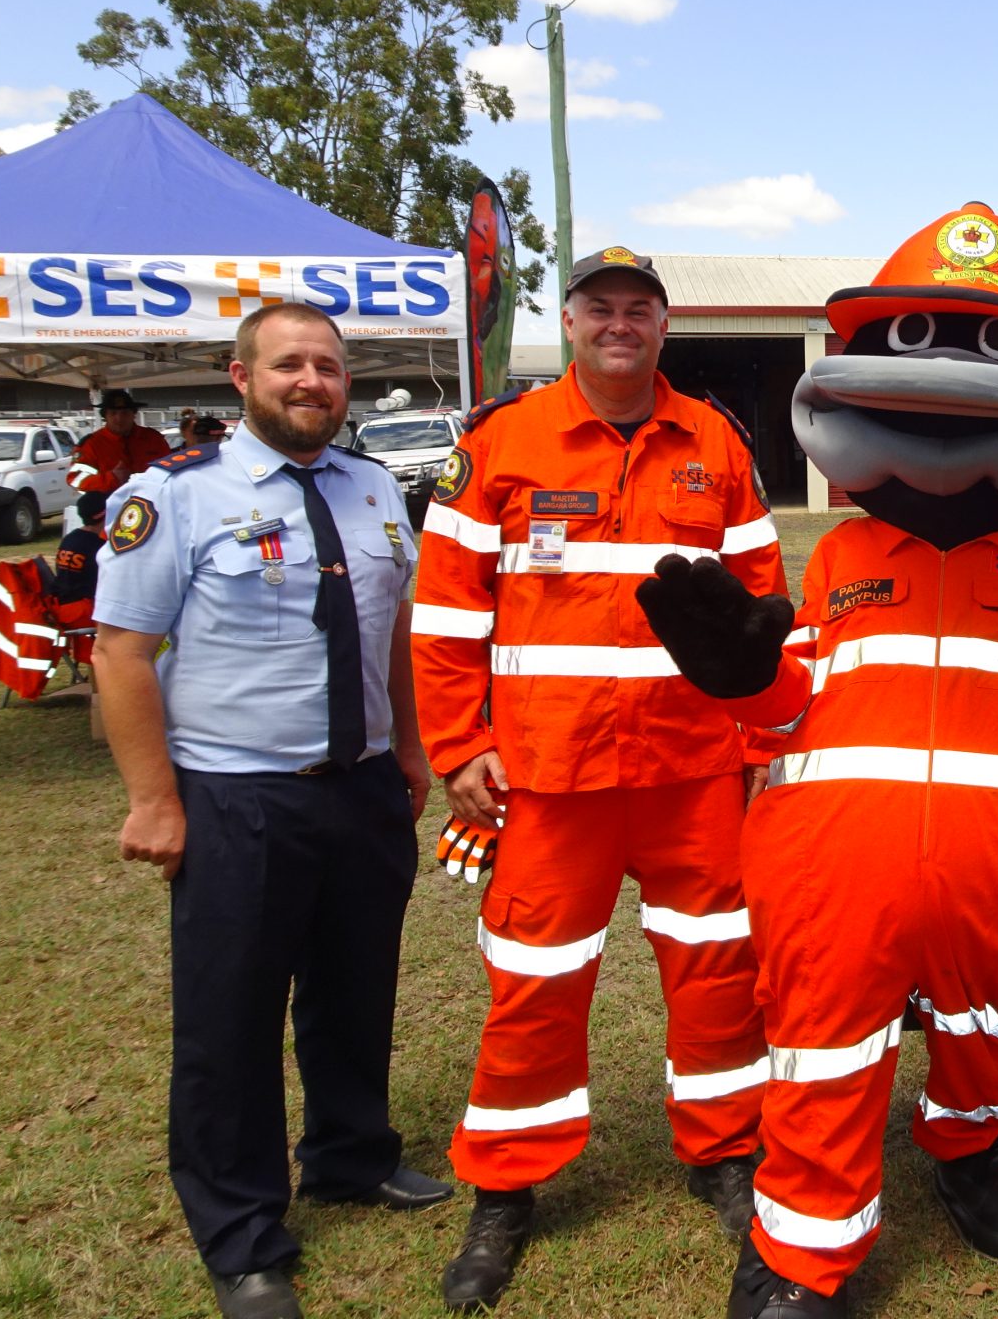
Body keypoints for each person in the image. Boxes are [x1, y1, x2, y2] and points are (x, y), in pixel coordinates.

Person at [634, 203, 998, 1319]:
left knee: (980, 1025)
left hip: (995, 871)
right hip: (834, 870)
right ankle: (804, 1247)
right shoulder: (843, 552)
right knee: (824, 1046)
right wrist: (738, 671)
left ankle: (971, 1144)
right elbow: (794, 696)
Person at [410, 246, 782, 1313]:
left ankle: (724, 1148)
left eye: (640, 310)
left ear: (663, 328)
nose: (620, 324)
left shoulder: (715, 443)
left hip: (693, 773)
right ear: (569, 322)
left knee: (716, 973)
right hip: (546, 777)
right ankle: (508, 1185)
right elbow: (443, 616)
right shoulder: (500, 443)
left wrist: (758, 751)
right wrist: (456, 745)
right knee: (532, 984)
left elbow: (761, 613)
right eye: (600, 308)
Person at [94, 303, 448, 1319]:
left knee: (353, 989)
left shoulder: (375, 485)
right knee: (230, 1019)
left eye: (329, 367)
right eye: (289, 364)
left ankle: (350, 1154)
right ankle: (243, 1233)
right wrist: (154, 801)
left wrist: (411, 750)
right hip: (236, 797)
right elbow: (120, 652)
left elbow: (392, 630)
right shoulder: (175, 497)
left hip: (363, 787)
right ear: (239, 376)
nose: (313, 382)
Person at [70, 388, 171, 493]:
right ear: (105, 416)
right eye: (113, 413)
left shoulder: (153, 438)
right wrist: (112, 478)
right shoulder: (91, 444)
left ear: (133, 415)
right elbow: (75, 479)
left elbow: (170, 470)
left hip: (151, 501)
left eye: (125, 413)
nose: (119, 418)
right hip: (109, 505)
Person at [46, 488, 110, 615]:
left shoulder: (69, 539)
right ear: (101, 514)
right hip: (83, 611)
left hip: (59, 606)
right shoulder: (99, 546)